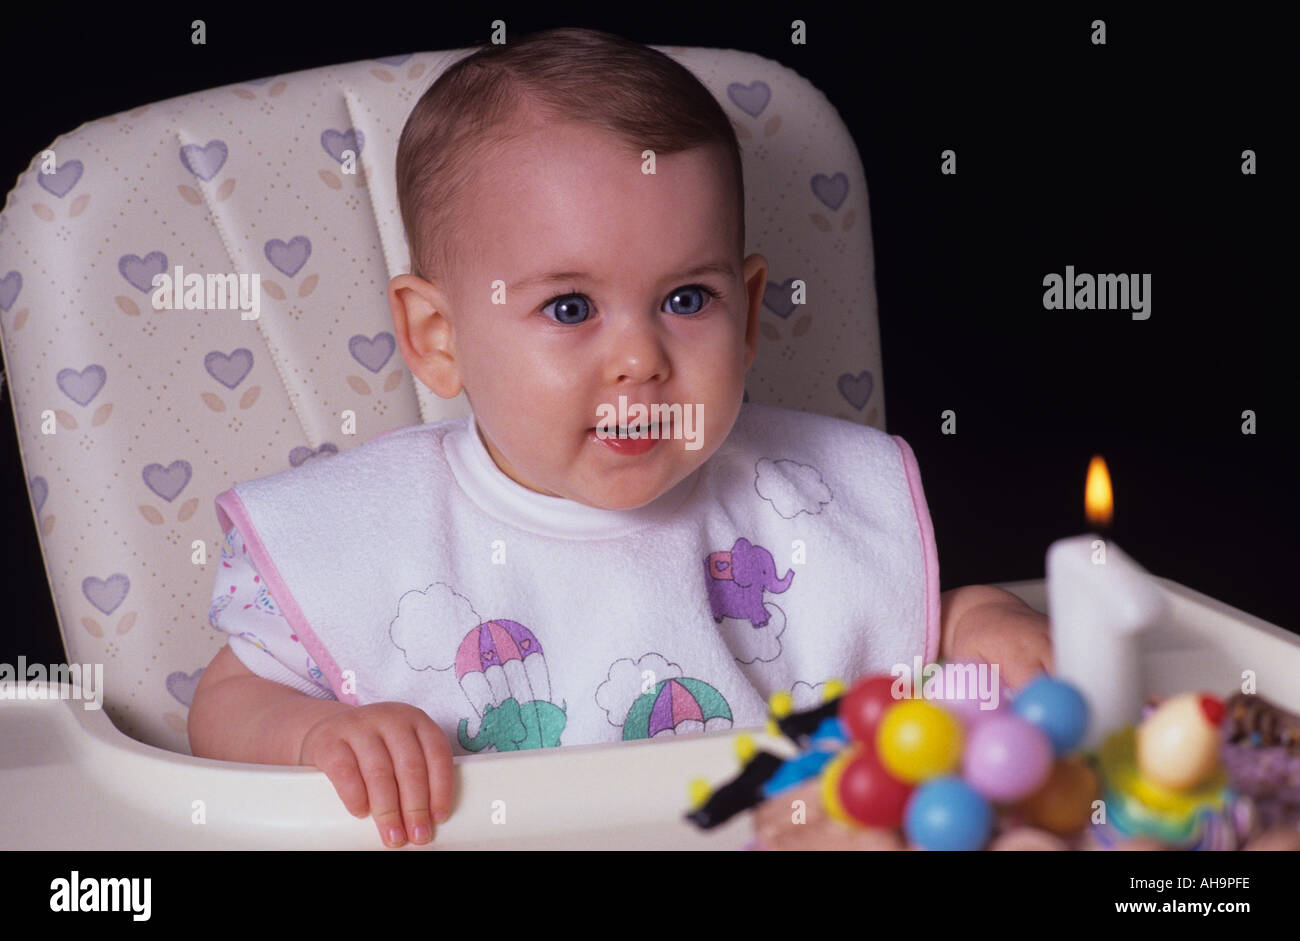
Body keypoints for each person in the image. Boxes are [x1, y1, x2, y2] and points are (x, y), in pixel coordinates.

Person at [188, 27, 1051, 849]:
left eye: (687, 299)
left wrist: (983, 620)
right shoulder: (367, 531)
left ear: (748, 316)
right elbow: (228, 698)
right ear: (438, 336)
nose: (641, 358)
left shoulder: (809, 497)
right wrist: (319, 738)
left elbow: (910, 623)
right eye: (570, 308)